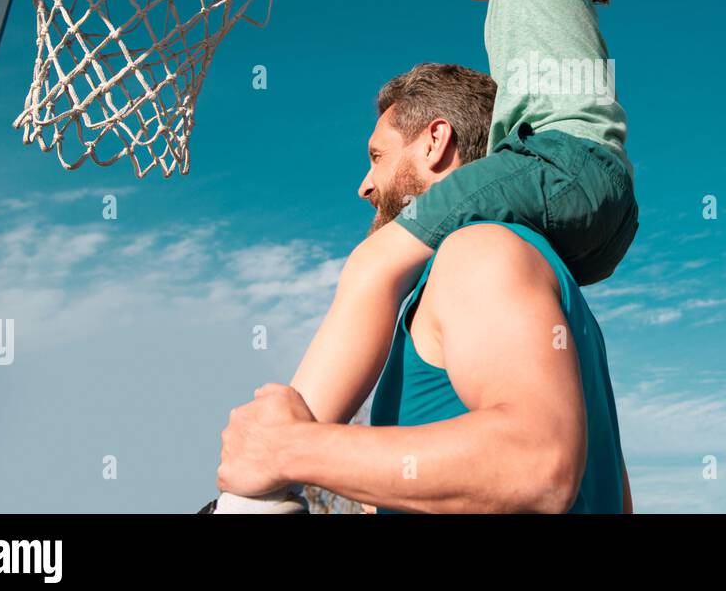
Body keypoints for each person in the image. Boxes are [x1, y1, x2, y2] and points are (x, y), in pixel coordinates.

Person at [208, 0, 637, 512]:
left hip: (566, 160)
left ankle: (256, 494)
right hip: (598, 206)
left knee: (373, 268)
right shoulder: (553, 313)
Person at [209, 64, 632, 513]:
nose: (365, 186)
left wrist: (291, 448)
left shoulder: (480, 251)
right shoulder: (557, 299)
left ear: (435, 141)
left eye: (377, 157)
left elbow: (538, 462)